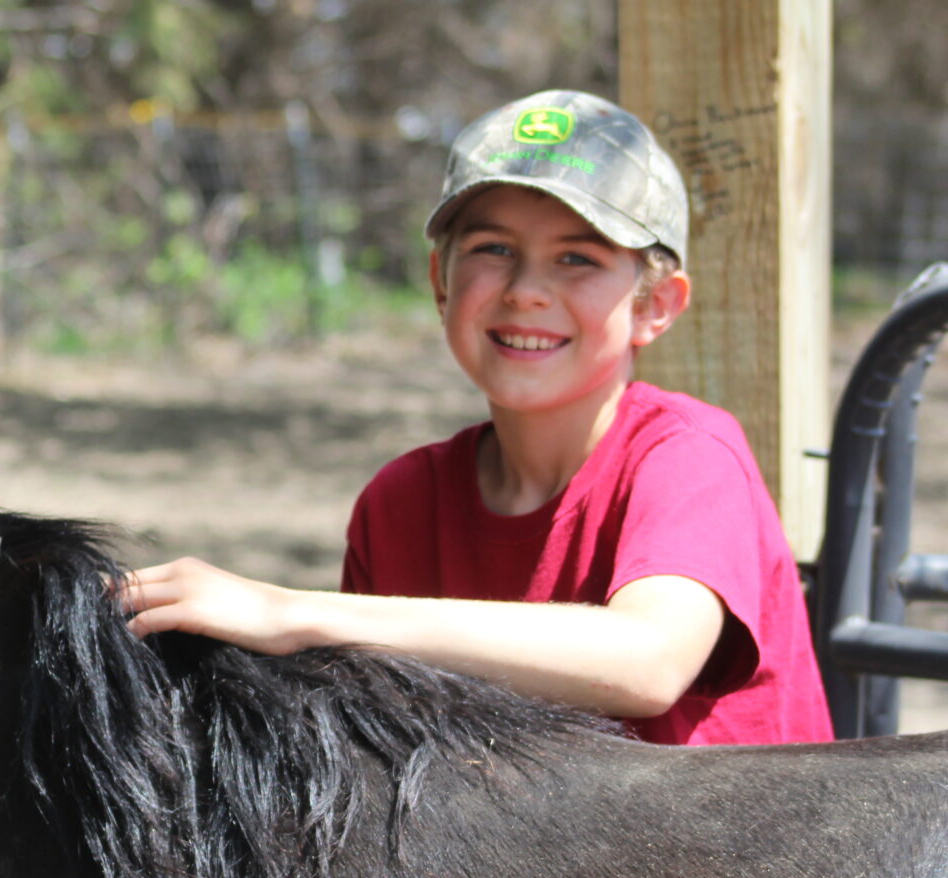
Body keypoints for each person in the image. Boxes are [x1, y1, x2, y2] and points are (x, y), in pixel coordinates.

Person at [121, 89, 831, 745]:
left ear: (656, 305)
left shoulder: (688, 455)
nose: (525, 290)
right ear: (441, 281)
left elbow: (649, 661)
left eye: (577, 258)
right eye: (494, 250)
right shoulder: (400, 503)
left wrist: (293, 614)